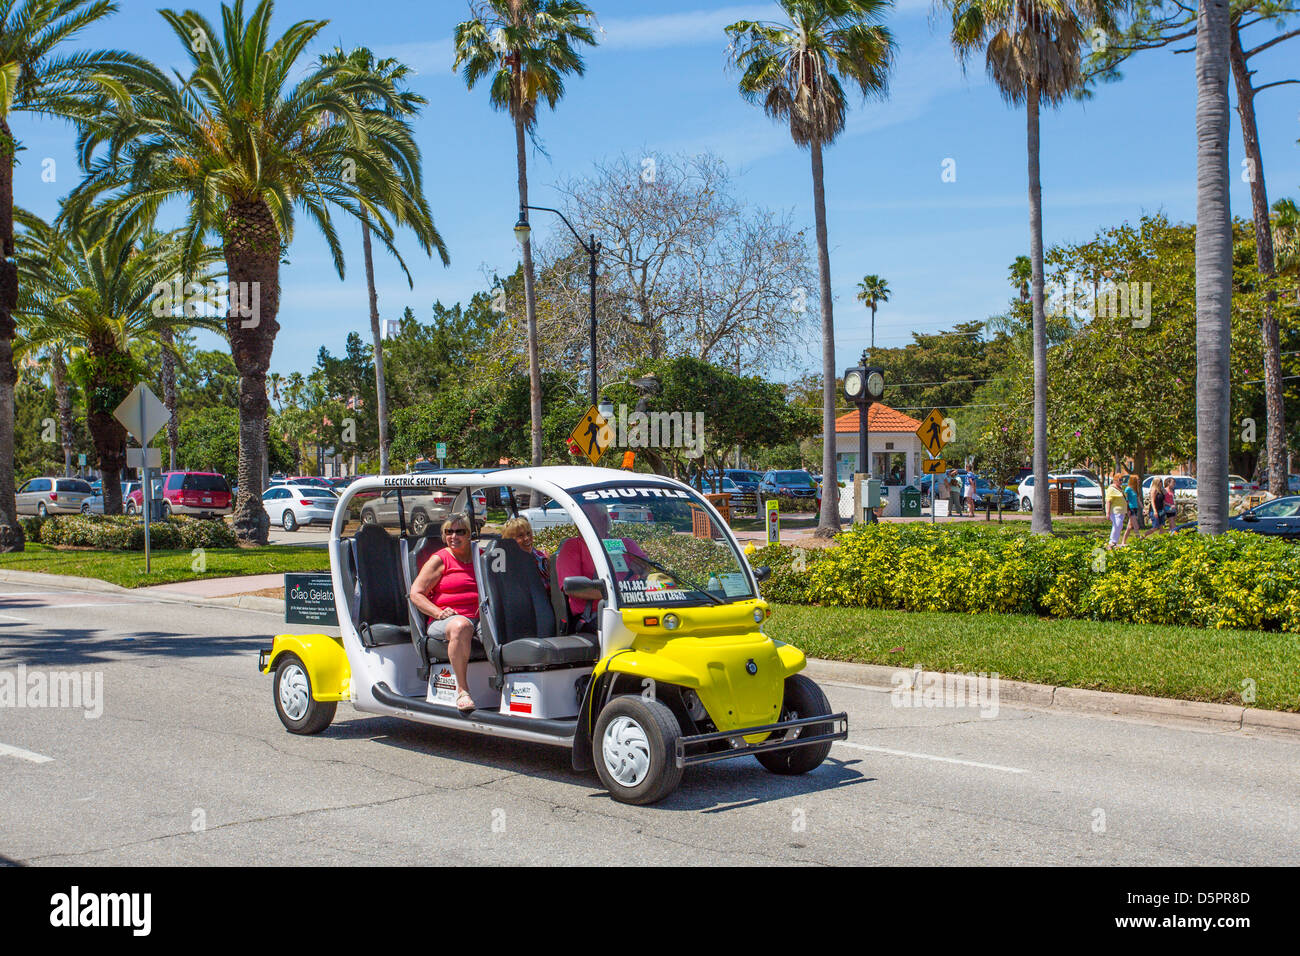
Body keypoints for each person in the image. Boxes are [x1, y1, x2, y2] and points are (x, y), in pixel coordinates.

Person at [409, 512, 480, 713]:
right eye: (449, 532)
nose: (453, 536)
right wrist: (438, 612)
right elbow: (416, 593)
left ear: (469, 534)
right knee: (461, 626)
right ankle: (462, 690)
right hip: (447, 621)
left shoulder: (480, 557)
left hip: (481, 618)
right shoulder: (439, 559)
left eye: (460, 531)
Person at [556, 502, 648, 628]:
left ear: (604, 520)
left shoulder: (625, 544)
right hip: (595, 615)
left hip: (633, 608)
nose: (579, 523)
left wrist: (643, 569)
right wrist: (615, 595)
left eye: (586, 517)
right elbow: (572, 588)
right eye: (578, 518)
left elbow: (649, 571)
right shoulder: (572, 546)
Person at [500, 516, 548, 593]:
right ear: (509, 541)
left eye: (528, 533)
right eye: (520, 536)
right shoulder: (506, 564)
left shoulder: (539, 556)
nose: (526, 538)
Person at [1119, 474, 1143, 546]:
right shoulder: (1128, 489)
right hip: (1130, 508)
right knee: (1136, 526)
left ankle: (1123, 541)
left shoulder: (1136, 489)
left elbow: (1138, 500)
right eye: (1137, 479)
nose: (1139, 481)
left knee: (1129, 527)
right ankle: (1138, 541)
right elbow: (1125, 499)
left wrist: (1143, 508)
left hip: (1135, 508)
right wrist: (1127, 509)